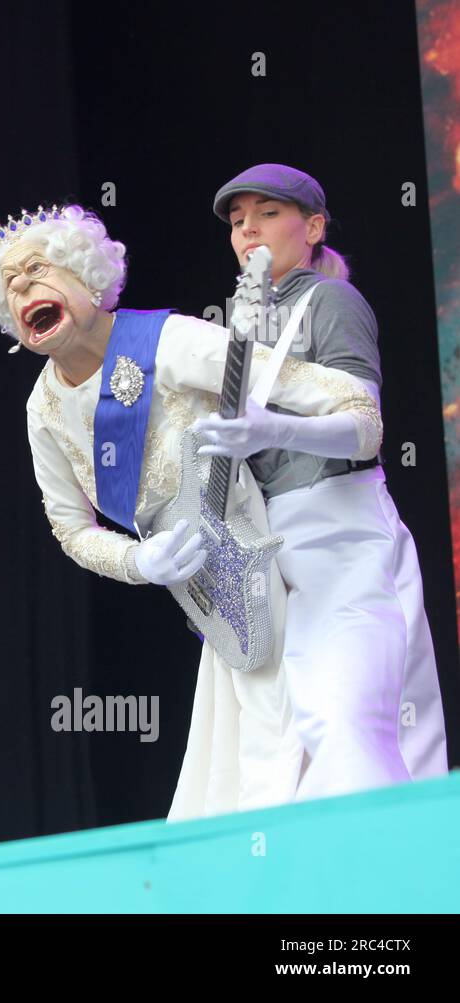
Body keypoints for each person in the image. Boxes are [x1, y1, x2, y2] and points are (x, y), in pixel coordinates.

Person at [0, 203, 385, 818]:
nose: (22, 284)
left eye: (37, 268)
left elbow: (345, 402)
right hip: (213, 597)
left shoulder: (168, 342)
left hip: (289, 561)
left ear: (86, 277)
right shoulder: (42, 410)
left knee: (310, 742)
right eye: (10, 284)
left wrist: (274, 428)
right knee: (237, 771)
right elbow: (69, 527)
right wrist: (140, 560)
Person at [208, 163, 448, 796]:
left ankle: (395, 875)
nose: (247, 230)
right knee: (284, 751)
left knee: (347, 721)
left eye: (267, 214)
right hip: (272, 554)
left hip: (341, 536)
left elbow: (363, 427)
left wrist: (273, 431)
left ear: (312, 227)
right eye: (237, 222)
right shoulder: (236, 324)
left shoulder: (330, 300)